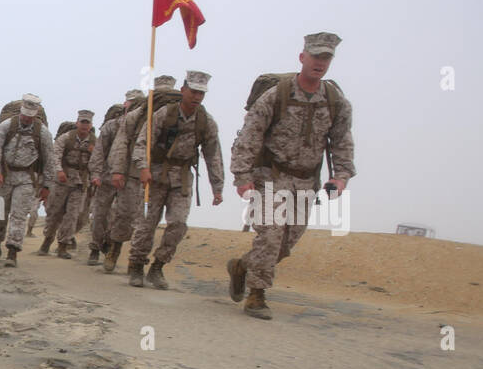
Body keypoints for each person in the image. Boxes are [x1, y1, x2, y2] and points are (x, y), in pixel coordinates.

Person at [229, 32, 355, 319]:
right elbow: (250, 135)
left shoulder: (336, 101)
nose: (320, 62)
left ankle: (241, 267)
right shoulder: (277, 95)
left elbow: (342, 141)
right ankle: (257, 295)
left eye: (327, 58)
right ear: (302, 57)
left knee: (287, 244)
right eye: (316, 56)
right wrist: (242, 176)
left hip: (305, 182)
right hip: (270, 176)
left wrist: (342, 176)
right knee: (270, 238)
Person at [128, 71, 224, 289]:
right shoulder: (163, 114)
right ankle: (136, 265)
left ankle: (158, 266)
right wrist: (143, 167)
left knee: (178, 224)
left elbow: (213, 155)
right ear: (183, 90)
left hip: (181, 178)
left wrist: (217, 188)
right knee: (146, 224)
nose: (197, 97)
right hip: (156, 174)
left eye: (201, 93)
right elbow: (143, 141)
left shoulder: (206, 122)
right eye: (193, 91)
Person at [103, 75, 178, 273]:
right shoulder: (136, 116)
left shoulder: (178, 116)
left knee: (146, 221)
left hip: (162, 177)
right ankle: (115, 250)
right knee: (124, 216)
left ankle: (136, 262)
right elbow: (121, 144)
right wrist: (118, 171)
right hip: (133, 175)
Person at [0, 94, 63, 267]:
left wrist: (47, 186)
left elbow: (50, 159)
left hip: (26, 179)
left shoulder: (42, 132)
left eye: (31, 116)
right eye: (25, 115)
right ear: (21, 112)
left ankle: (13, 251)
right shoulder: (6, 126)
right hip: (3, 177)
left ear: (35, 115)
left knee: (19, 215)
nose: (27, 119)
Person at [86, 89, 142, 264]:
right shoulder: (111, 126)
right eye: (131, 103)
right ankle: (95, 248)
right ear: (125, 105)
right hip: (107, 177)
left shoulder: (142, 128)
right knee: (100, 215)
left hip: (131, 178)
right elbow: (99, 152)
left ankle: (112, 244)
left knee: (126, 216)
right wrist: (95, 174)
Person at [38, 110, 95, 258]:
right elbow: (54, 156)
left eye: (87, 123)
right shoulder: (65, 138)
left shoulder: (95, 142)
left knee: (72, 215)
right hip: (62, 182)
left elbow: (97, 162)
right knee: (54, 213)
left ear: (90, 125)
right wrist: (59, 171)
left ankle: (63, 246)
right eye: (82, 122)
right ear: (77, 123)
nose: (84, 126)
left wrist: (95, 177)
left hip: (80, 183)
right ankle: (47, 241)